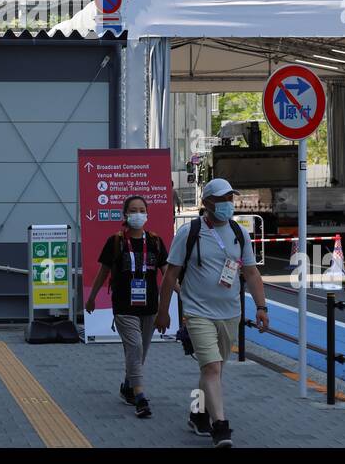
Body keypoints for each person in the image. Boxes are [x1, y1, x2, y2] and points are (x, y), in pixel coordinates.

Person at [156, 177, 270, 448]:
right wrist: (164, 312)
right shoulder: (189, 232)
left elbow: (251, 272)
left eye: (230, 199)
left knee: (214, 369)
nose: (228, 205)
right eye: (222, 200)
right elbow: (171, 274)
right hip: (197, 312)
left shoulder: (238, 232)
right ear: (207, 203)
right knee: (211, 367)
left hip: (230, 312)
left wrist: (262, 307)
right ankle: (221, 425)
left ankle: (197, 413)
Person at [85, 195, 168, 419]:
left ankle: (127, 386)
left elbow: (167, 274)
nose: (138, 214)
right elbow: (103, 271)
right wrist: (92, 297)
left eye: (142, 209)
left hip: (149, 306)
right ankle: (140, 397)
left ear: (147, 213)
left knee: (141, 352)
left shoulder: (156, 241)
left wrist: (182, 295)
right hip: (123, 306)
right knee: (135, 347)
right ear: (125, 214)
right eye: (133, 210)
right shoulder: (116, 242)